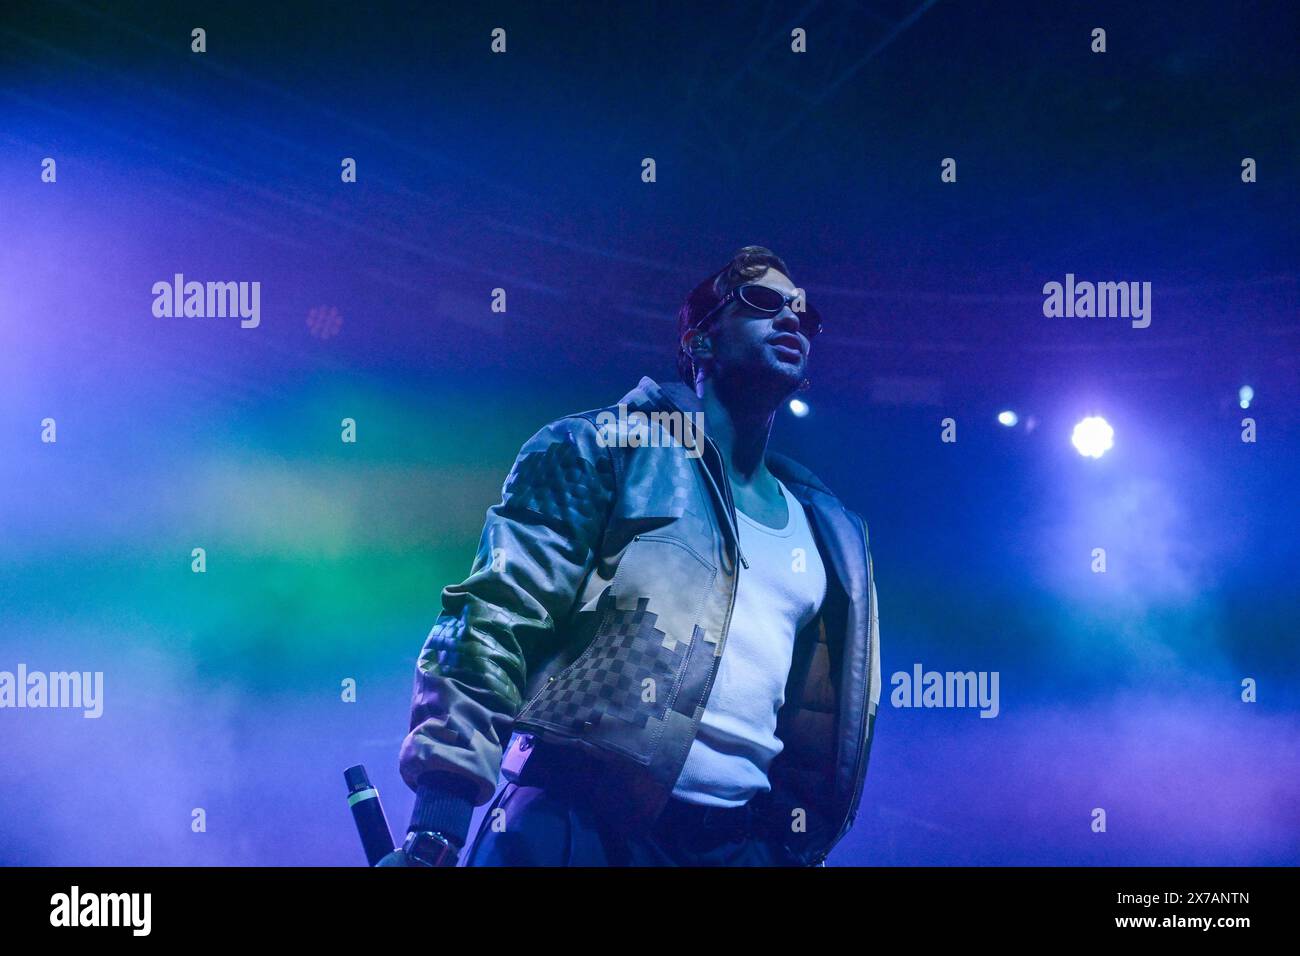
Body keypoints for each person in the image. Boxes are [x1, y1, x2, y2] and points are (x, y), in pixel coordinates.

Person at [382, 245, 880, 867]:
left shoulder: (827, 530)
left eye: (804, 315)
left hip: (740, 845)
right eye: (761, 302)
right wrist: (438, 824)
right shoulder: (603, 448)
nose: (790, 320)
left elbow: (813, 721)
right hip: (580, 824)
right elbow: (496, 615)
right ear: (699, 343)